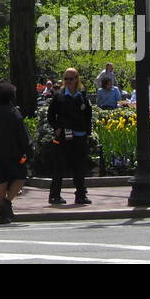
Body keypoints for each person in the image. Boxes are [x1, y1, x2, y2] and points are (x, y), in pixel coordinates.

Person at [0, 82, 31, 223]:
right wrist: (27, 148)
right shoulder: (12, 112)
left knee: (1, 181)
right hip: (13, 153)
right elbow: (22, 133)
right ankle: (7, 202)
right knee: (21, 177)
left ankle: (2, 212)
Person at [47, 68, 91, 205]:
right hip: (64, 135)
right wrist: (57, 128)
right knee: (60, 165)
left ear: (76, 79)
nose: (67, 82)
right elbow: (50, 116)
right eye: (65, 79)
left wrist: (87, 132)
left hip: (80, 135)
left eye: (70, 79)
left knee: (80, 166)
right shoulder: (59, 97)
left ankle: (81, 195)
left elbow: (88, 115)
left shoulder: (82, 96)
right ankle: (54, 195)